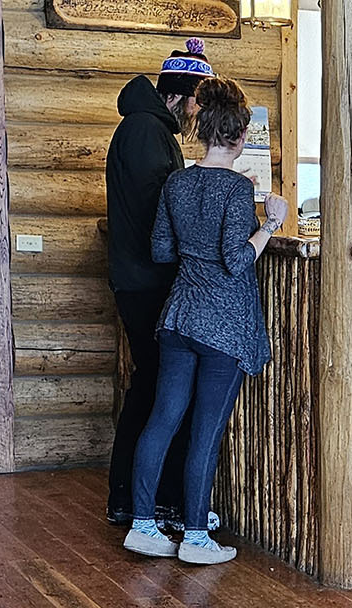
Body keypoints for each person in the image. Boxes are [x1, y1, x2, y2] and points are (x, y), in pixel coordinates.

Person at [123, 78, 288, 566]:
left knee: (162, 421)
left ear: (201, 131)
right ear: (240, 137)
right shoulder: (238, 189)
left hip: (178, 317)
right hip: (223, 325)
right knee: (205, 432)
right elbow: (237, 260)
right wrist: (271, 222)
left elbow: (161, 250)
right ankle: (195, 536)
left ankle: (143, 525)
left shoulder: (177, 182)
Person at [103, 38, 214, 528]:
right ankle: (152, 503)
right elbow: (160, 213)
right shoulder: (149, 132)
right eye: (197, 101)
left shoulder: (145, 127)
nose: (197, 113)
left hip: (139, 278)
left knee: (149, 389)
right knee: (158, 393)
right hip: (148, 281)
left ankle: (129, 500)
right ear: (178, 95)